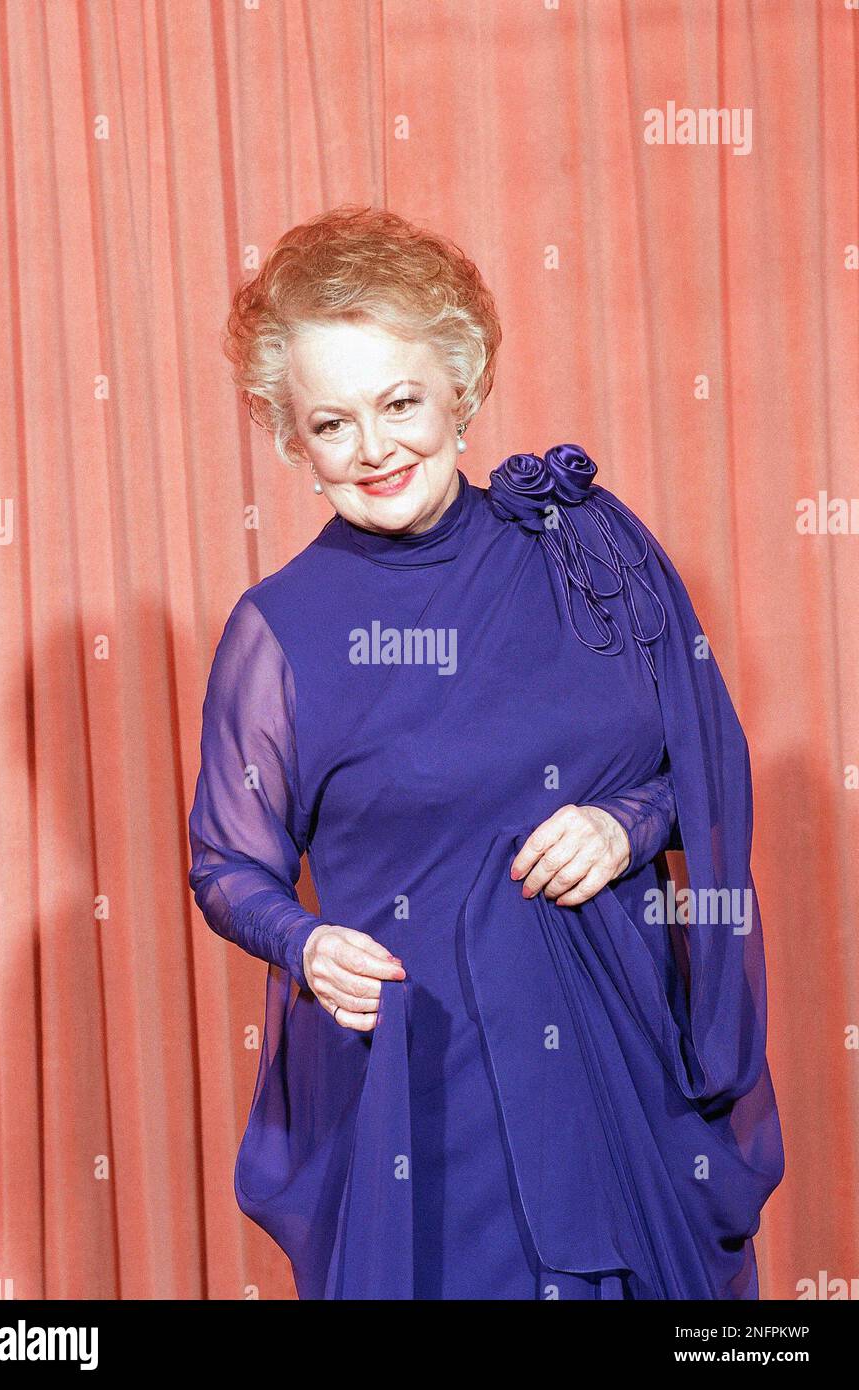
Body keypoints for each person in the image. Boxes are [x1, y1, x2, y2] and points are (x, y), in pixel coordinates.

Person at [187, 205, 784, 1300]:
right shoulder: (277, 631)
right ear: (290, 438)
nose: (374, 448)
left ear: (461, 388)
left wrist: (627, 823)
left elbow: (695, 760)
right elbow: (227, 866)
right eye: (333, 423)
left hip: (619, 1071)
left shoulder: (587, 547)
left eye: (401, 402)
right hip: (425, 1093)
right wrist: (307, 945)